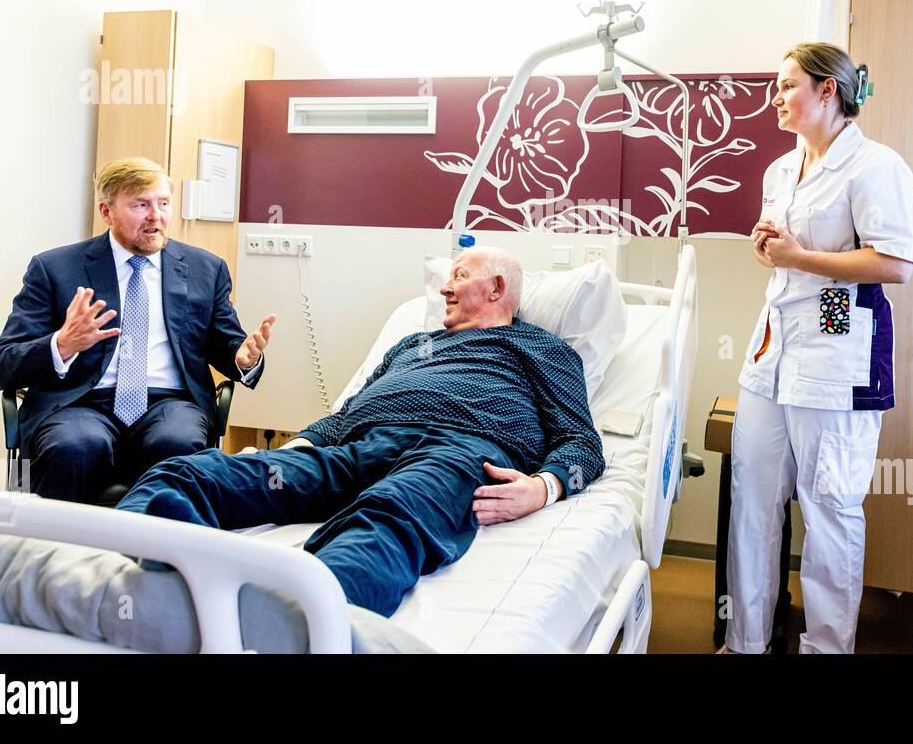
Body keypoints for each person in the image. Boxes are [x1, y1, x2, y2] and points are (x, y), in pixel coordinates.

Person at [117, 246, 606, 617]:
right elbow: (346, 413)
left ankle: (292, 622)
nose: (444, 289)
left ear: (497, 289)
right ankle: (130, 573)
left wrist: (543, 488)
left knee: (389, 514)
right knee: (189, 474)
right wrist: (293, 451)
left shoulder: (539, 348)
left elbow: (581, 442)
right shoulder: (412, 344)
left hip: (458, 452)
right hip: (358, 446)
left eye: (459, 277)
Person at [724, 42, 913, 654]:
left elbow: (895, 263)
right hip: (772, 353)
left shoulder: (876, 166)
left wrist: (798, 257)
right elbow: (781, 255)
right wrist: (770, 247)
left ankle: (827, 648)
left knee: (830, 510)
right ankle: (746, 640)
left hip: (837, 358)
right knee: (751, 502)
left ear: (827, 90)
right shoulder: (781, 170)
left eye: (786, 86)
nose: (775, 98)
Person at [0, 158, 275, 504]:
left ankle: (159, 555)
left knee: (178, 443)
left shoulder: (205, 269)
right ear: (106, 212)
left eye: (163, 203)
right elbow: (1, 366)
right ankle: (60, 552)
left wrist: (243, 359)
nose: (156, 216)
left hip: (170, 401)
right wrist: (62, 345)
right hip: (79, 401)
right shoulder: (55, 269)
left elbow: (225, 343)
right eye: (141, 205)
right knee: (73, 445)